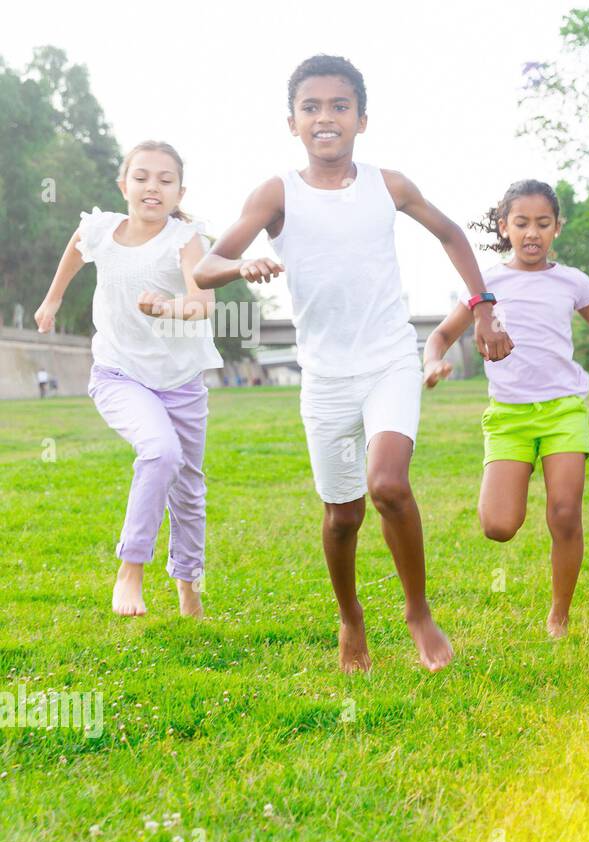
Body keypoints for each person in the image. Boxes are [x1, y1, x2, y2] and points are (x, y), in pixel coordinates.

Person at [195, 54, 512, 672]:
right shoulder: (275, 193)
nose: (325, 118)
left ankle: (418, 613)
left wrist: (481, 306)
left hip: (390, 357)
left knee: (389, 484)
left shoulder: (388, 185)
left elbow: (450, 233)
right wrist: (241, 266)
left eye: (339, 106)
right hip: (326, 376)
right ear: (292, 121)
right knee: (342, 516)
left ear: (362, 119)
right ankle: (350, 617)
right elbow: (206, 267)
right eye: (311, 107)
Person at [424, 179, 589, 638]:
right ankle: (511, 508)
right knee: (498, 526)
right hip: (509, 416)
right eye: (521, 223)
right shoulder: (488, 284)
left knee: (564, 513)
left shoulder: (573, 281)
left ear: (557, 227)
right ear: (504, 227)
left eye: (543, 223)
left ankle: (559, 613)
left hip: (563, 411)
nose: (532, 233)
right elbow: (440, 336)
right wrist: (433, 362)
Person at [35, 140, 221, 619]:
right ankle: (130, 568)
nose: (152, 187)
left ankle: (188, 586)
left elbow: (203, 304)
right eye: (141, 177)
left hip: (180, 382)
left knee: (188, 491)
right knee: (159, 452)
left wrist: (165, 307)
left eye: (164, 180)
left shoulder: (185, 239)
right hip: (119, 373)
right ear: (124, 185)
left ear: (180, 192)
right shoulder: (99, 229)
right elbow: (75, 251)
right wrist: (53, 299)